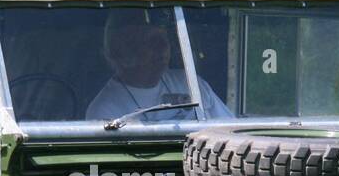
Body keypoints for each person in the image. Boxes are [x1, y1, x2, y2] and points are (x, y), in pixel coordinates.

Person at [85, 8, 232, 122]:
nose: (163, 47)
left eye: (164, 39)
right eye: (151, 41)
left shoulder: (191, 83)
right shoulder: (104, 109)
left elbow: (228, 128)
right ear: (126, 53)